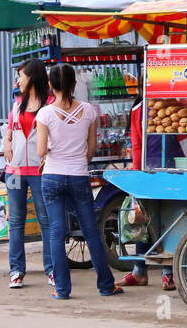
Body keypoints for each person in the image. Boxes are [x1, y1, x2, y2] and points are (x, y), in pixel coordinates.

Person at [36, 64, 123, 299]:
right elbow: (91, 149)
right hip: (79, 176)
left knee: (56, 232)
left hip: (52, 177)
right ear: (75, 84)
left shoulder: (44, 114)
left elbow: (41, 149)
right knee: (91, 231)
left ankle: (62, 290)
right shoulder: (89, 111)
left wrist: (52, 154)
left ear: (51, 86)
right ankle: (106, 285)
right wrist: (78, 162)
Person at [4, 59, 54, 289]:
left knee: (46, 220)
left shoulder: (51, 104)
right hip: (14, 171)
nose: (18, 80)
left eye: (21, 76)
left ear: (32, 77)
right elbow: (9, 129)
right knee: (15, 221)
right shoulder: (17, 102)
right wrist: (6, 141)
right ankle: (16, 270)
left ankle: (52, 269)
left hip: (40, 172)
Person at [119, 106, 177, 291]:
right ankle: (162, 273)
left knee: (144, 221)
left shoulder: (144, 107)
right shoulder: (170, 103)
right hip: (168, 167)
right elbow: (184, 139)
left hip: (154, 168)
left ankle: (146, 272)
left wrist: (136, 173)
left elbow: (136, 143)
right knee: (159, 221)